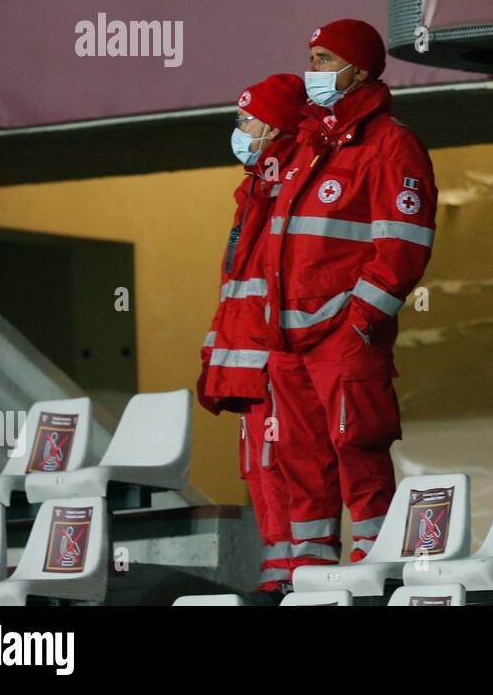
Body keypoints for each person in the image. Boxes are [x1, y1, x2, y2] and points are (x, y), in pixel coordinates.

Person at [263, 19, 437, 572]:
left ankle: (377, 563)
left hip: (343, 335)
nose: (309, 70)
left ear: (356, 69)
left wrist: (360, 320)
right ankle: (308, 569)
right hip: (290, 340)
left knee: (356, 447)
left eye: (320, 59)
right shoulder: (309, 145)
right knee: (301, 456)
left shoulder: (391, 145)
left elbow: (404, 243)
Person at [198, 73, 315, 601]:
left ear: (274, 126)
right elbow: (236, 288)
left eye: (247, 120)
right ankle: (278, 569)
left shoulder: (290, 187)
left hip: (275, 359)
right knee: (259, 470)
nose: (239, 130)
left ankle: (301, 571)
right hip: (246, 361)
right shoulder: (255, 191)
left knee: (288, 465)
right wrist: (215, 354)